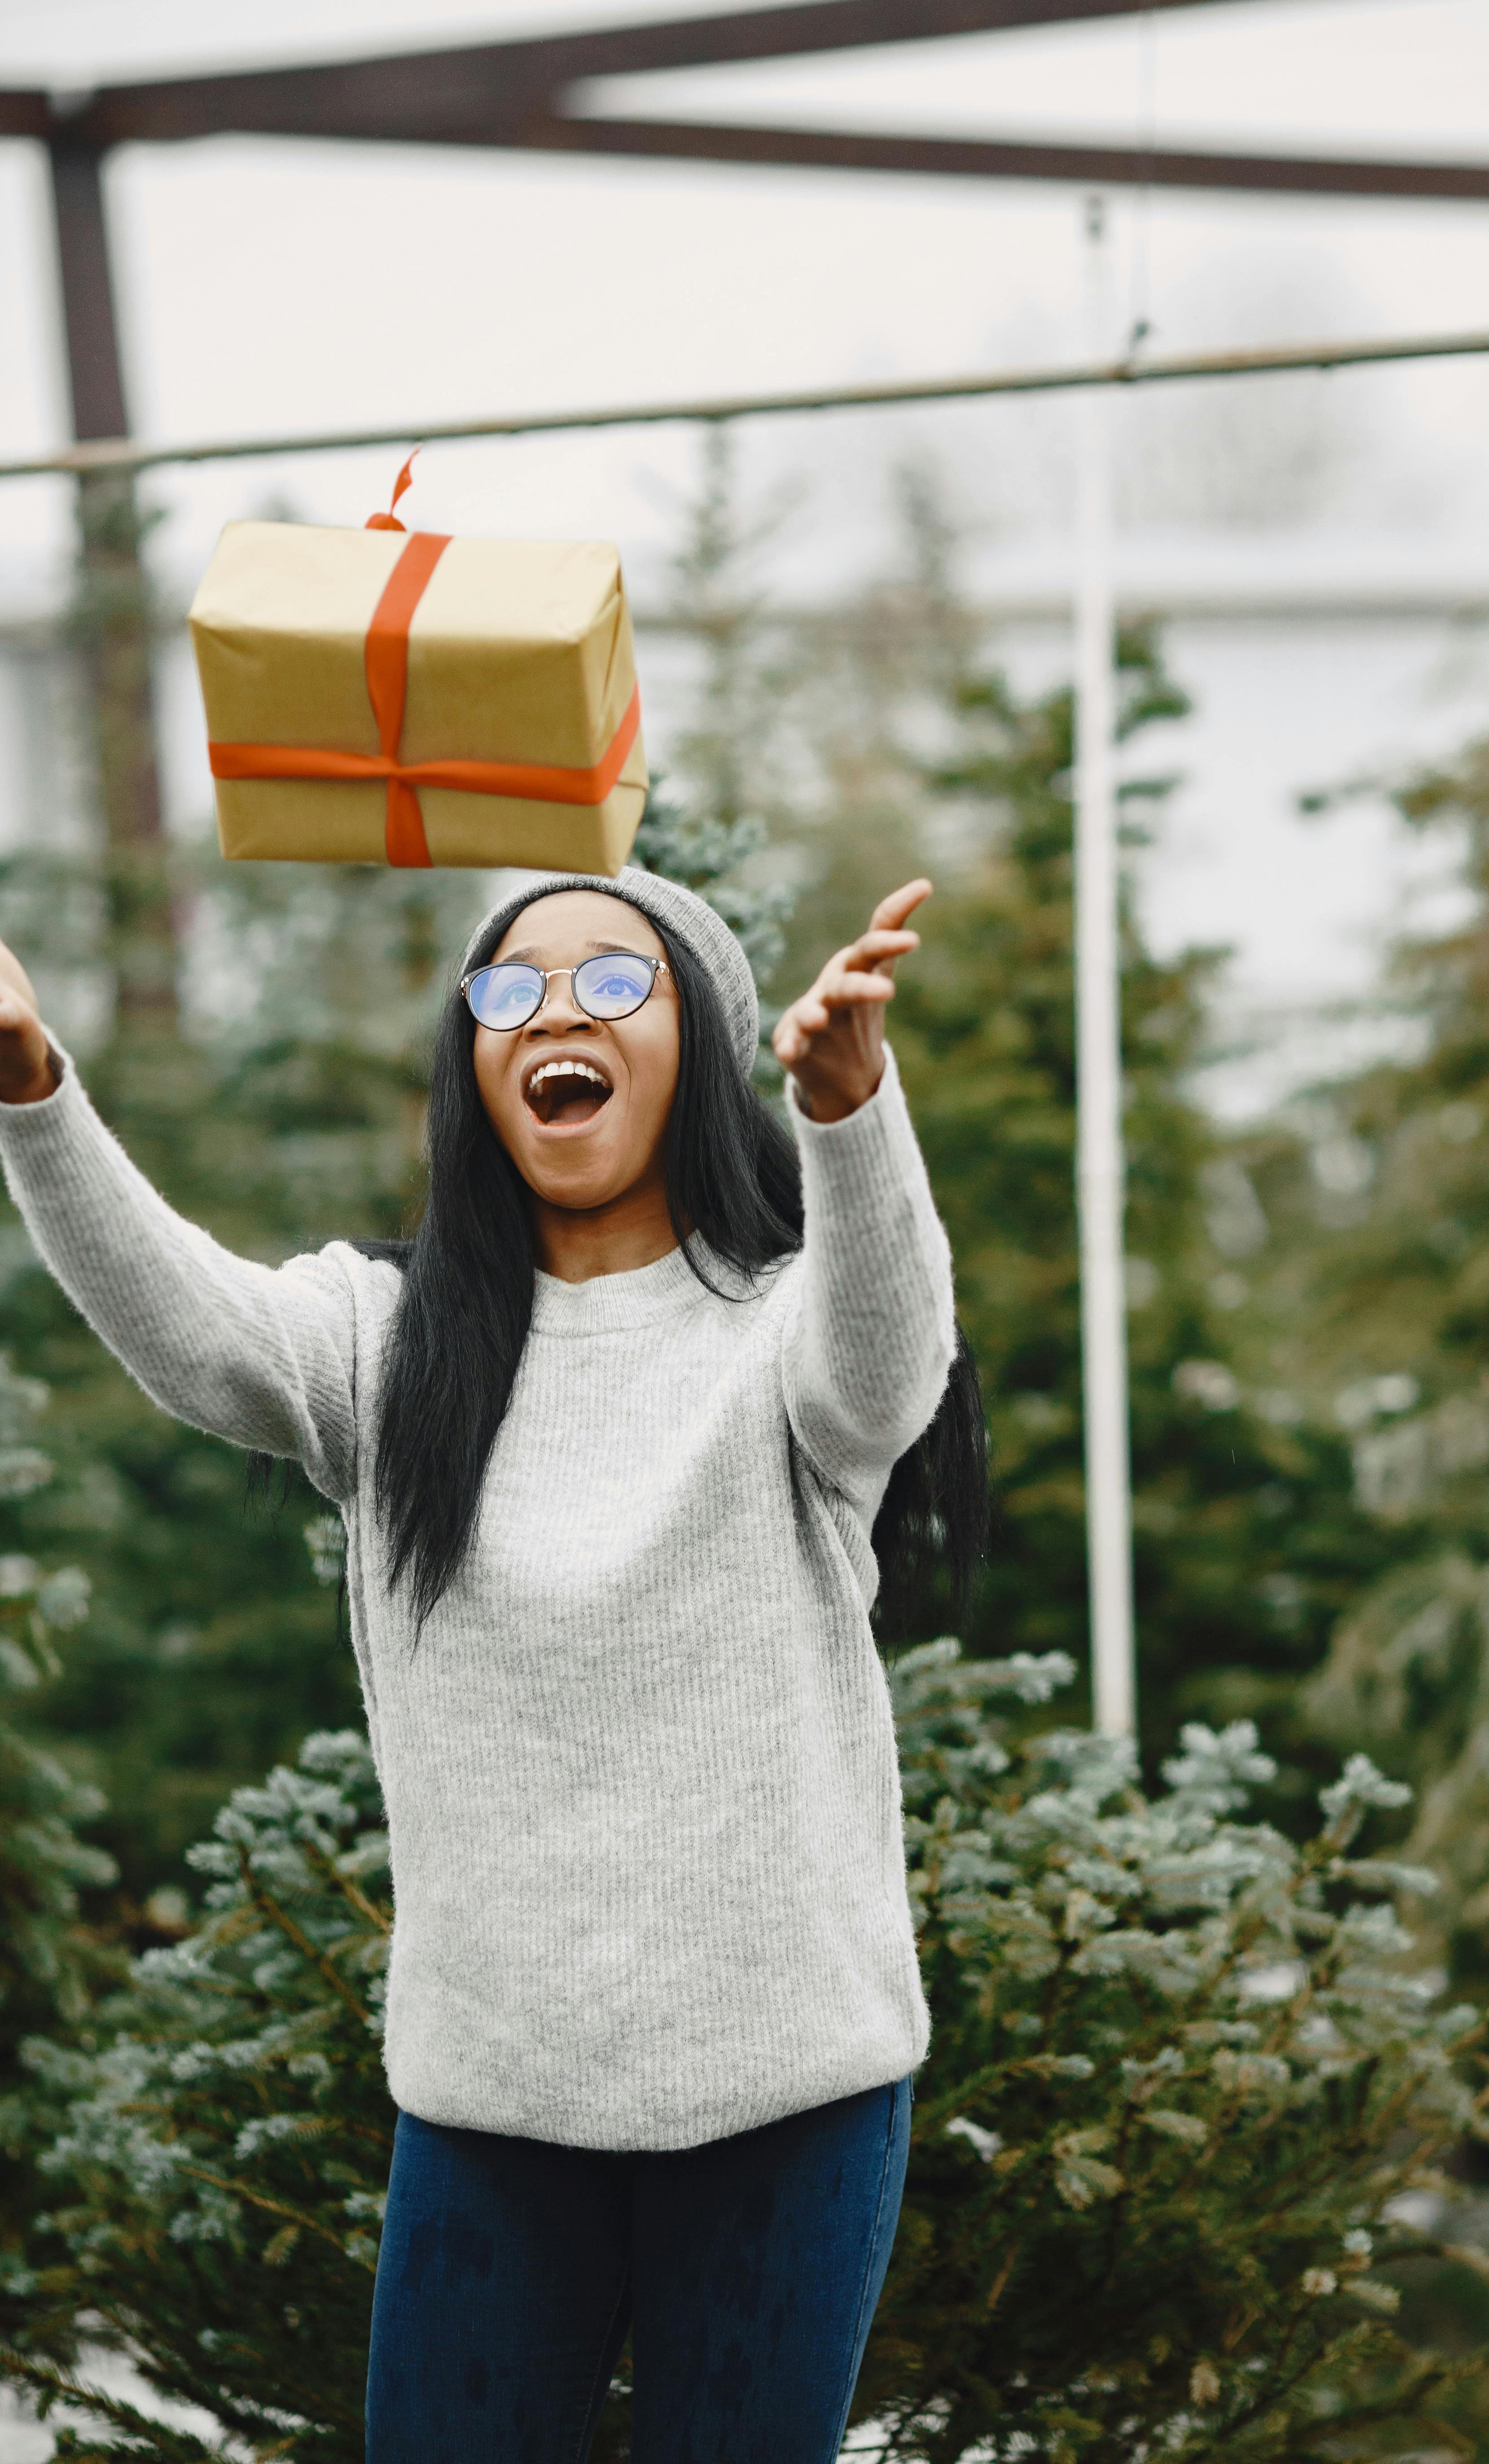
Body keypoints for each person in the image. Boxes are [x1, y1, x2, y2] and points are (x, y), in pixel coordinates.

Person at [0, 866, 987, 2464]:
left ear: (702, 1043)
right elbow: (192, 1332)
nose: (554, 1017)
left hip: (790, 2099)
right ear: (472, 1060)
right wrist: (30, 1085)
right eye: (511, 991)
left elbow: (890, 1370)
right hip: (493, 2110)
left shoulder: (781, 1333)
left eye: (615, 982)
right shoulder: (385, 1343)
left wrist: (850, 1111)